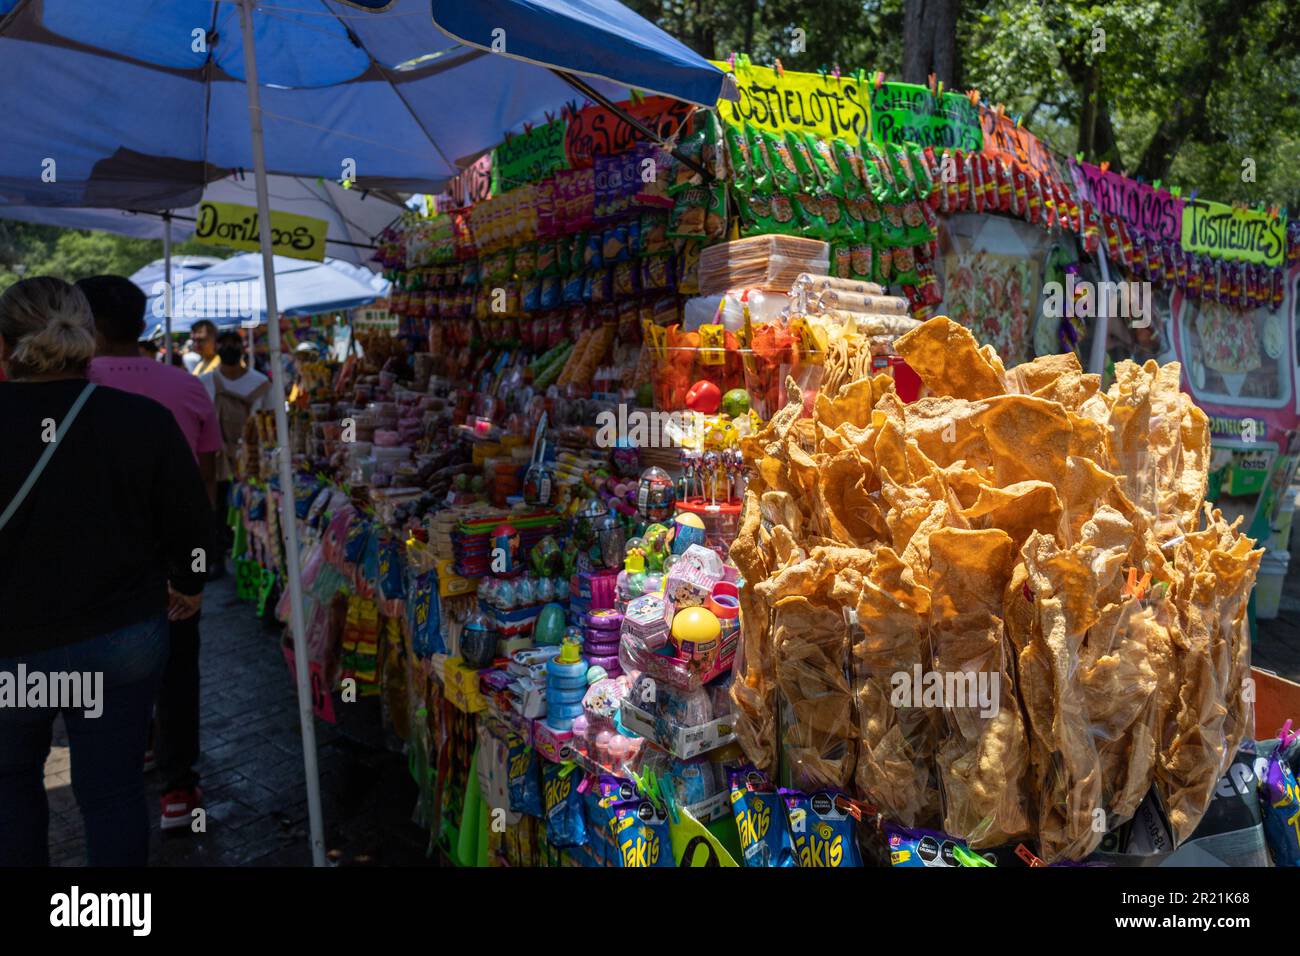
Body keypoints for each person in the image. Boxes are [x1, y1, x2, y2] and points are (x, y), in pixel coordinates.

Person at [0, 277, 211, 866]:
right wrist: (189, 588)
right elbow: (194, 530)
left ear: (3, 345)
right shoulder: (141, 419)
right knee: (112, 793)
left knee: (10, 785)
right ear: (86, 338)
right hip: (118, 643)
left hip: (12, 650)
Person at [79, 275, 221, 830]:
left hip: (96, 559)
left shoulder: (62, 386)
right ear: (144, 325)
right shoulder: (186, 386)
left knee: (108, 667)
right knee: (177, 668)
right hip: (172, 555)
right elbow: (206, 482)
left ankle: (133, 748)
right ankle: (178, 790)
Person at [200, 330, 273, 564]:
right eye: (224, 343)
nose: (229, 347)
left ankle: (249, 559)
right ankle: (216, 557)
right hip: (216, 459)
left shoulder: (261, 383)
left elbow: (269, 421)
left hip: (252, 460)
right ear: (217, 347)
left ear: (242, 348)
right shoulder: (205, 382)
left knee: (250, 512)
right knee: (216, 509)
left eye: (234, 343)